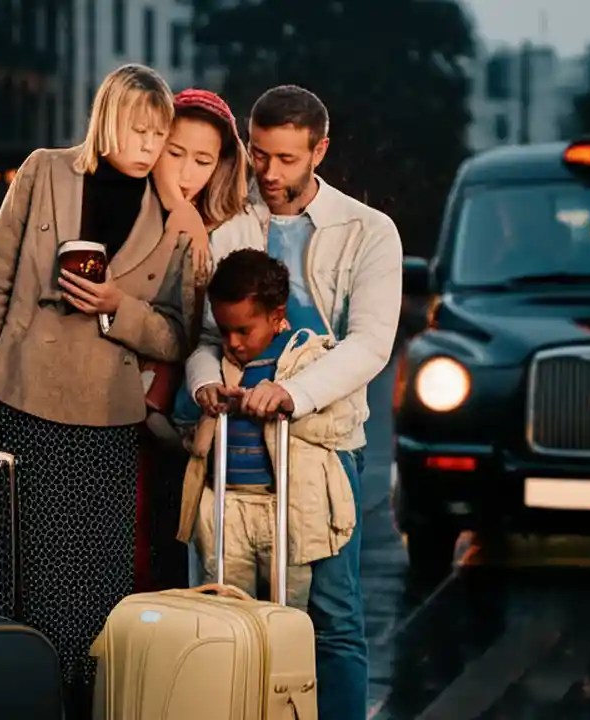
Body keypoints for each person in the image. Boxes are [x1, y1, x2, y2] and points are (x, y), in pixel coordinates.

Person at [0, 63, 199, 719]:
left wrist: (115, 309)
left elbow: (175, 335)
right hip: (22, 398)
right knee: (20, 569)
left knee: (94, 580)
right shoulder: (44, 172)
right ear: (107, 120)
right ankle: (16, 697)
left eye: (158, 134)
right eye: (138, 130)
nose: (148, 146)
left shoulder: (171, 219)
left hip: (106, 417)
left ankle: (82, 704)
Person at [184, 84, 403, 720]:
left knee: (332, 618)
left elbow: (371, 344)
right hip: (236, 454)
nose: (270, 173)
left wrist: (293, 393)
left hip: (324, 450)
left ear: (319, 151)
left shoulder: (370, 232)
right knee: (226, 617)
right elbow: (202, 337)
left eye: (286, 158)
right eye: (258, 155)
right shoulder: (227, 229)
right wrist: (205, 384)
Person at [175, 248, 360, 610]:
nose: (234, 343)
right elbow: (184, 424)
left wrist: (288, 401)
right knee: (227, 612)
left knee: (286, 614)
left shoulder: (305, 360)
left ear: (276, 316)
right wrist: (205, 402)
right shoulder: (216, 367)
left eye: (244, 330)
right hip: (227, 508)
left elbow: (338, 426)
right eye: (225, 331)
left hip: (284, 508)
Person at [136, 87, 250, 592]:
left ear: (222, 164)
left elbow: (201, 333)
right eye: (174, 152)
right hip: (118, 406)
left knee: (175, 555)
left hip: (187, 413)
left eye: (202, 160)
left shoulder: (231, 227)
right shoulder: (131, 209)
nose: (186, 172)